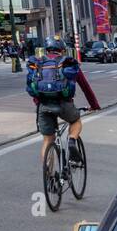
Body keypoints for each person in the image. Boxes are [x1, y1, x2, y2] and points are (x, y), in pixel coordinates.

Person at [26, 36, 100, 166]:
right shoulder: (68, 63)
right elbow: (85, 87)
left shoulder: (38, 64)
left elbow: (32, 86)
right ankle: (72, 141)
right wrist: (94, 105)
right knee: (76, 121)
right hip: (64, 104)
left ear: (46, 50)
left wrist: (39, 103)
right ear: (62, 50)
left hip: (43, 106)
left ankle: (50, 179)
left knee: (48, 140)